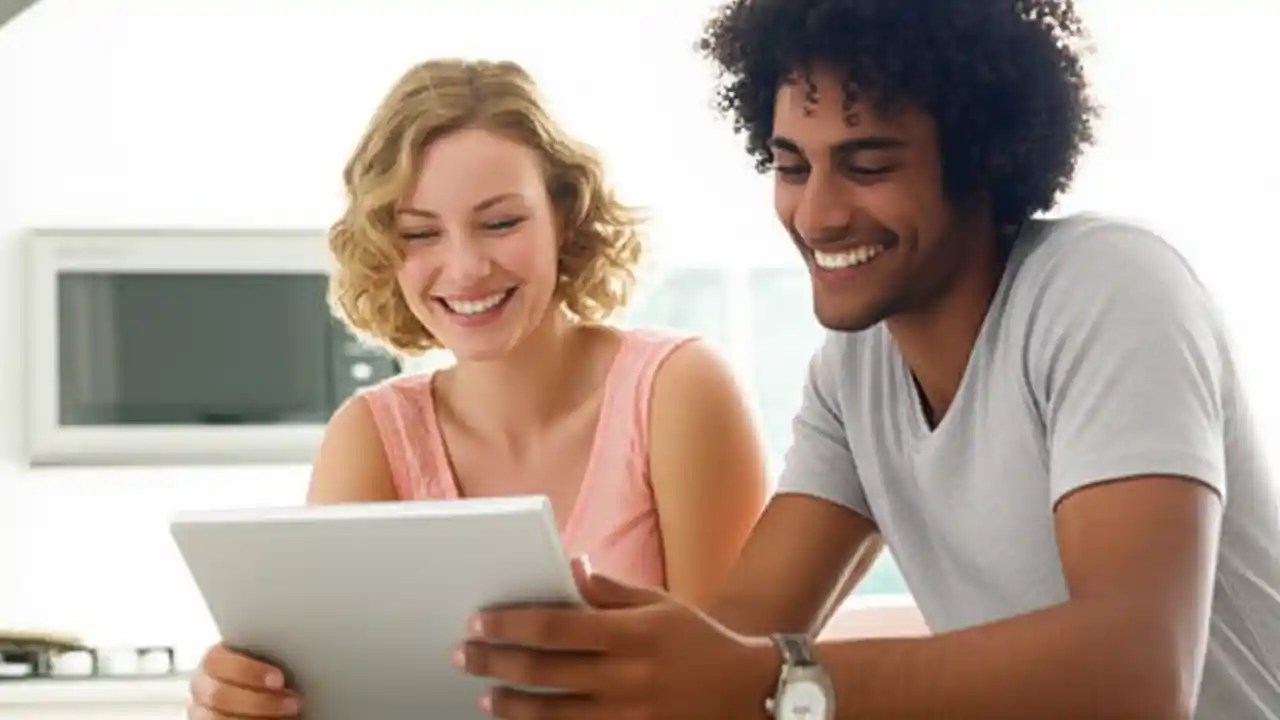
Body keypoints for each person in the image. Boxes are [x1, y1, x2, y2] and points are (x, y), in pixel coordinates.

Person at [457, 1, 1280, 718]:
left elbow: (1136, 675)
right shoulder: (855, 370)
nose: (816, 214)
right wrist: (579, 661)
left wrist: (773, 684)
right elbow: (737, 637)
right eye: (790, 166)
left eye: (869, 166)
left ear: (983, 159)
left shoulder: (1107, 287)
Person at [184, 58, 769, 719]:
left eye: (500, 223)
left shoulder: (678, 392)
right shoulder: (371, 435)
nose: (465, 268)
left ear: (564, 217)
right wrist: (243, 700)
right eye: (421, 233)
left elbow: (729, 690)